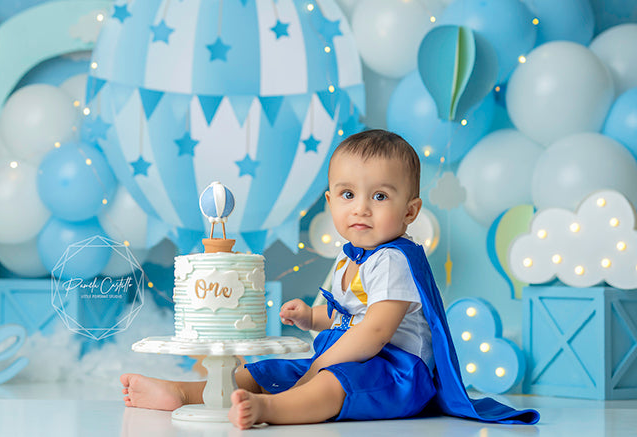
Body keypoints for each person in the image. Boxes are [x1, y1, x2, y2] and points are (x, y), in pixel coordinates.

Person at [121, 129, 539, 429]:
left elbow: (374, 331)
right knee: (272, 368)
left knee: (335, 381)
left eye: (379, 196)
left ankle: (271, 411)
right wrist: (311, 317)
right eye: (347, 195)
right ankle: (185, 394)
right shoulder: (347, 260)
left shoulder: (393, 259)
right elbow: (345, 315)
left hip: (398, 372)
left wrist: (321, 363)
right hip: (353, 353)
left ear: (410, 211)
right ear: (330, 201)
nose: (361, 208)